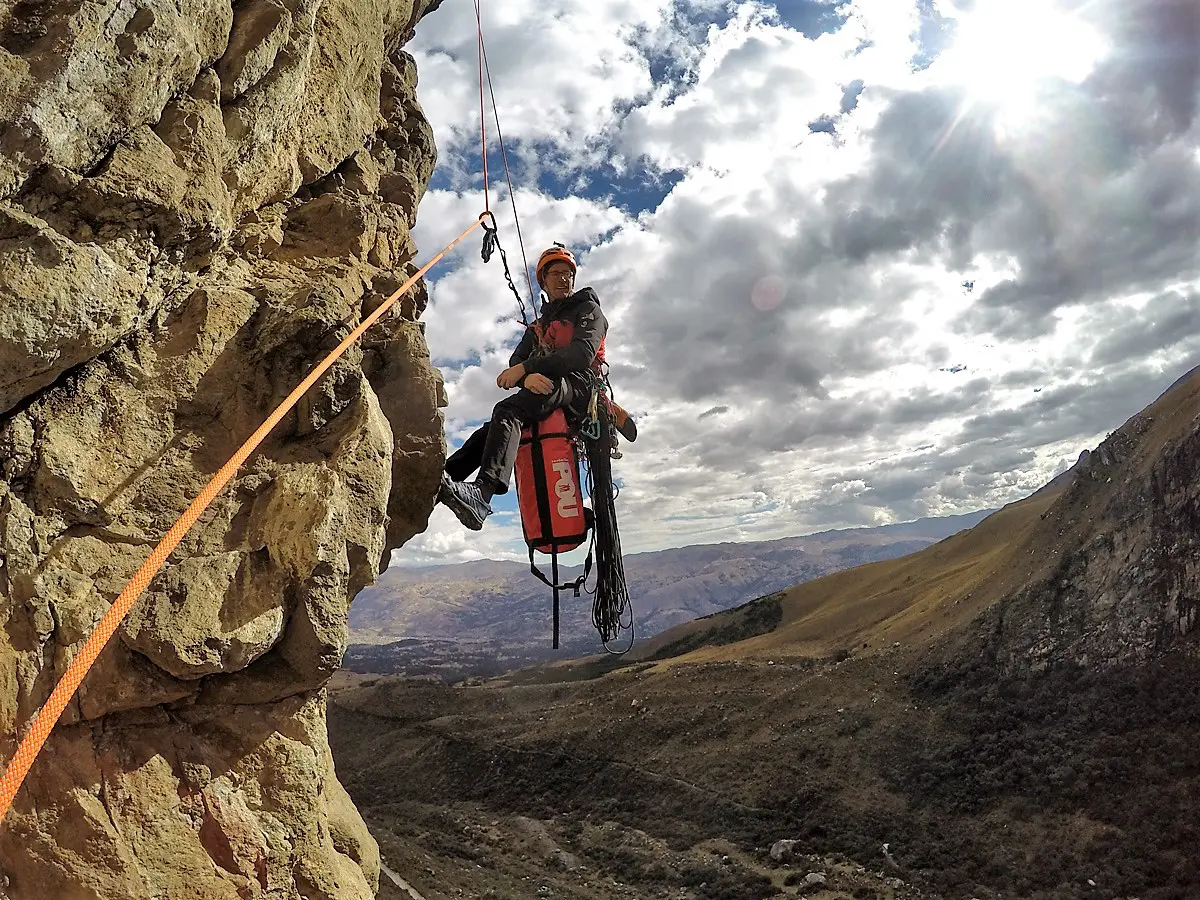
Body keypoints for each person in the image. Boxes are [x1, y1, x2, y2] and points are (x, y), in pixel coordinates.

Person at [439, 244, 616, 531]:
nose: (563, 279)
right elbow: (516, 360)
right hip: (550, 384)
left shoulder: (588, 310)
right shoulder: (539, 324)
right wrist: (525, 378)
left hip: (580, 387)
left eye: (568, 274)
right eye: (555, 273)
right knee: (493, 429)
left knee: (508, 410)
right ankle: (442, 479)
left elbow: (581, 354)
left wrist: (527, 370)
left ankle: (482, 496)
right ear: (543, 281)